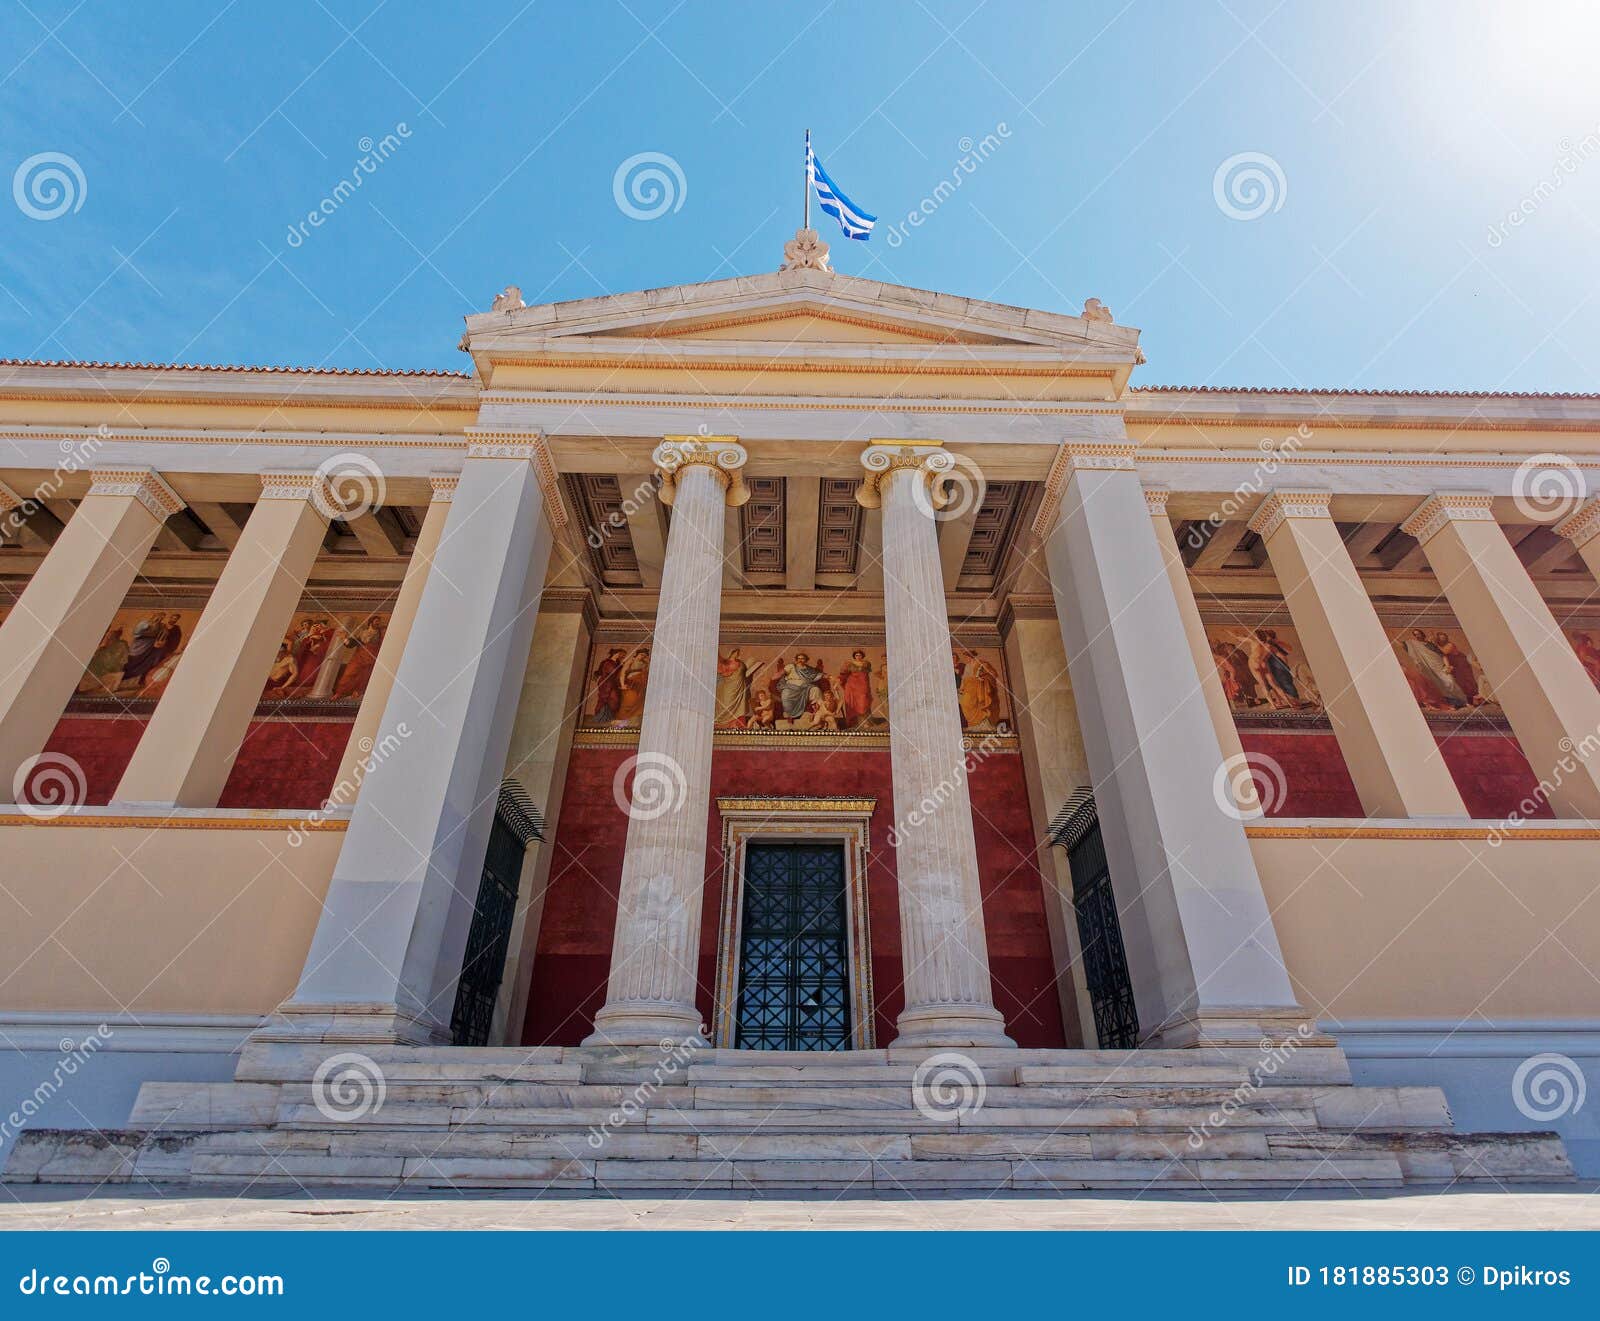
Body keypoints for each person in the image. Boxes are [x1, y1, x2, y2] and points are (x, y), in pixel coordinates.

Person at [715, 648, 767, 726]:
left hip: (740, 687)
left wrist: (750, 673)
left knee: (740, 706)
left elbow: (745, 673)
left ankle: (737, 723)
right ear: (731, 653)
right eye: (736, 652)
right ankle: (724, 722)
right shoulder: (725, 663)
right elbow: (724, 673)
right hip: (729, 686)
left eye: (738, 653)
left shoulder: (740, 663)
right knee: (728, 703)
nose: (737, 654)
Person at [837, 650, 874, 727]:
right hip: (851, 686)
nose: (858, 656)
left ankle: (865, 722)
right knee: (852, 703)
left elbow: (866, 675)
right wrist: (838, 682)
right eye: (856, 655)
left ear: (862, 656)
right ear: (854, 656)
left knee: (863, 702)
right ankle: (855, 722)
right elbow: (843, 674)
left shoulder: (866, 664)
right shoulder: (849, 664)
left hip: (863, 685)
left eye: (860, 655)